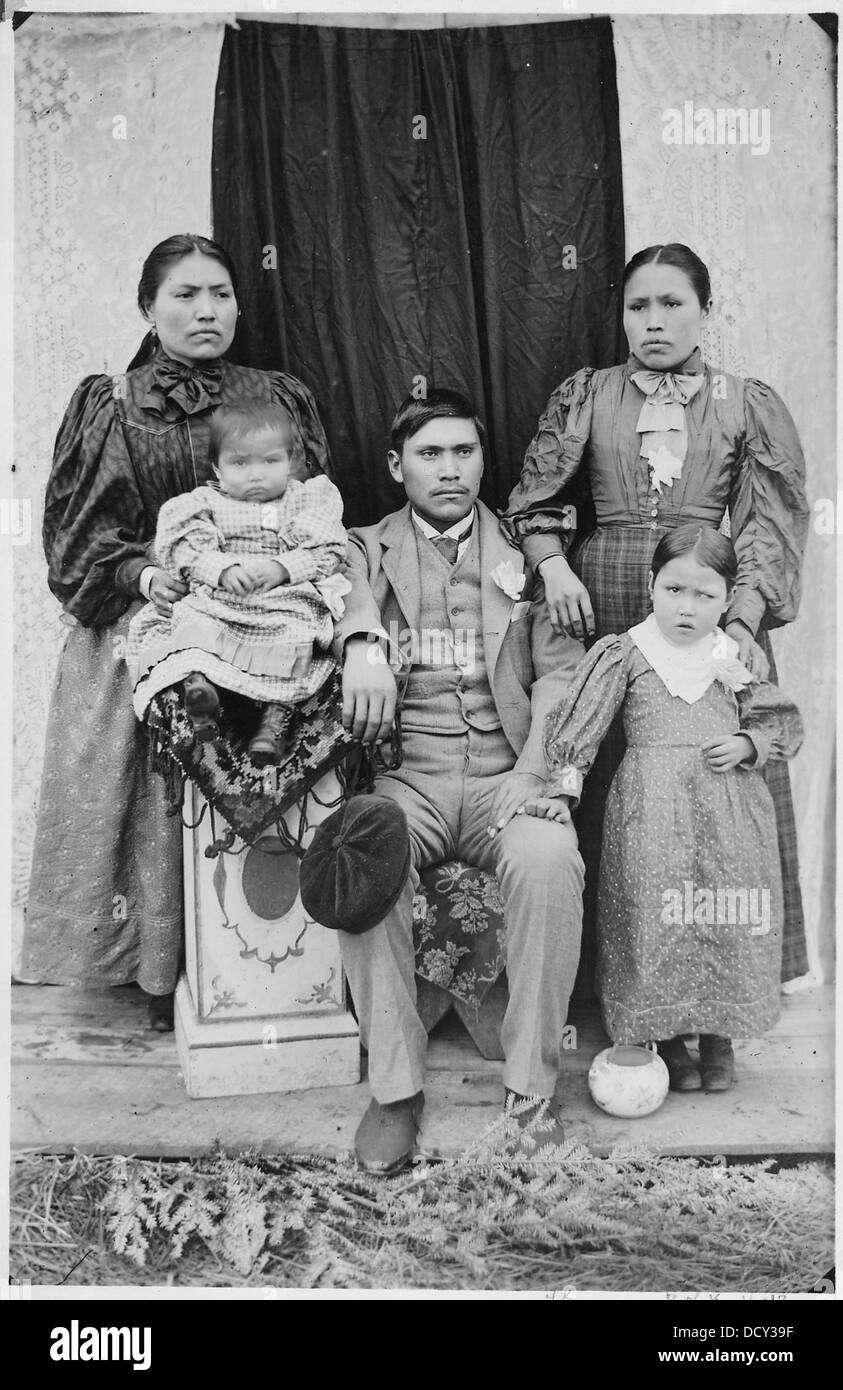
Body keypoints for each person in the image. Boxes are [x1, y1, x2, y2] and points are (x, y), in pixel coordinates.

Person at [23, 234, 332, 1028]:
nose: (206, 310)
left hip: (267, 617)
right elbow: (79, 546)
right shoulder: (113, 404)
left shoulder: (276, 397)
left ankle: (254, 972)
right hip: (151, 619)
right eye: (185, 294)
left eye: (220, 293)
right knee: (159, 788)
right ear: (147, 308)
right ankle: (161, 972)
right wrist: (153, 577)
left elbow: (313, 513)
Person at [502, 242, 811, 983]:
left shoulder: (744, 400)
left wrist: (737, 626)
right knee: (612, 778)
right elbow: (537, 500)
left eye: (671, 304)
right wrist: (551, 568)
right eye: (637, 305)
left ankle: (717, 978)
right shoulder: (590, 392)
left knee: (710, 781)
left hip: (706, 598)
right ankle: (611, 978)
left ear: (704, 310)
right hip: (603, 596)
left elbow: (768, 526)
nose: (653, 321)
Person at [333, 388, 587, 1174]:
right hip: (408, 776)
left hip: (506, 775)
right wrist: (363, 646)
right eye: (429, 454)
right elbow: (339, 601)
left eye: (464, 452)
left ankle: (530, 1090)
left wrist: (536, 771)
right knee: (364, 860)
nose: (449, 469)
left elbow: (559, 676)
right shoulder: (361, 547)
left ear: (483, 459)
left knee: (547, 862)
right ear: (395, 465)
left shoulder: (526, 552)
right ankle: (396, 1089)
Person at [529, 525, 803, 1092]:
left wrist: (749, 743)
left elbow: (776, 719)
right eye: (674, 590)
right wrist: (560, 794)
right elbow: (581, 729)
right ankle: (671, 1039)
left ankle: (719, 1036)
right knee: (656, 919)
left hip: (728, 813)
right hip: (651, 812)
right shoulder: (627, 651)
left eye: (704, 595)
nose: (687, 607)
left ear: (727, 600)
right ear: (651, 586)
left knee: (721, 913)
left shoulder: (731, 655)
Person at [127, 401, 347, 766]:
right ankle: (199, 689)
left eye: (270, 461)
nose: (256, 474)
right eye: (240, 463)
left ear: (290, 461)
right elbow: (184, 549)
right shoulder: (203, 503)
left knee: (299, 629)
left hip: (283, 599)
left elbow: (328, 549)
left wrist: (282, 567)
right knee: (191, 619)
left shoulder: (305, 498)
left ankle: (275, 718)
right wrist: (222, 569)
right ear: (217, 467)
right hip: (223, 600)